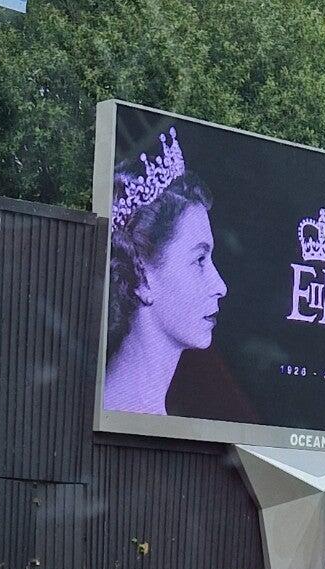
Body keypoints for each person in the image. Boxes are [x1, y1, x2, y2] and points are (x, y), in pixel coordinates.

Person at [103, 128, 228, 416]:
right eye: (199, 260)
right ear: (143, 277)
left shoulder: (148, 411)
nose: (221, 286)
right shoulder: (122, 409)